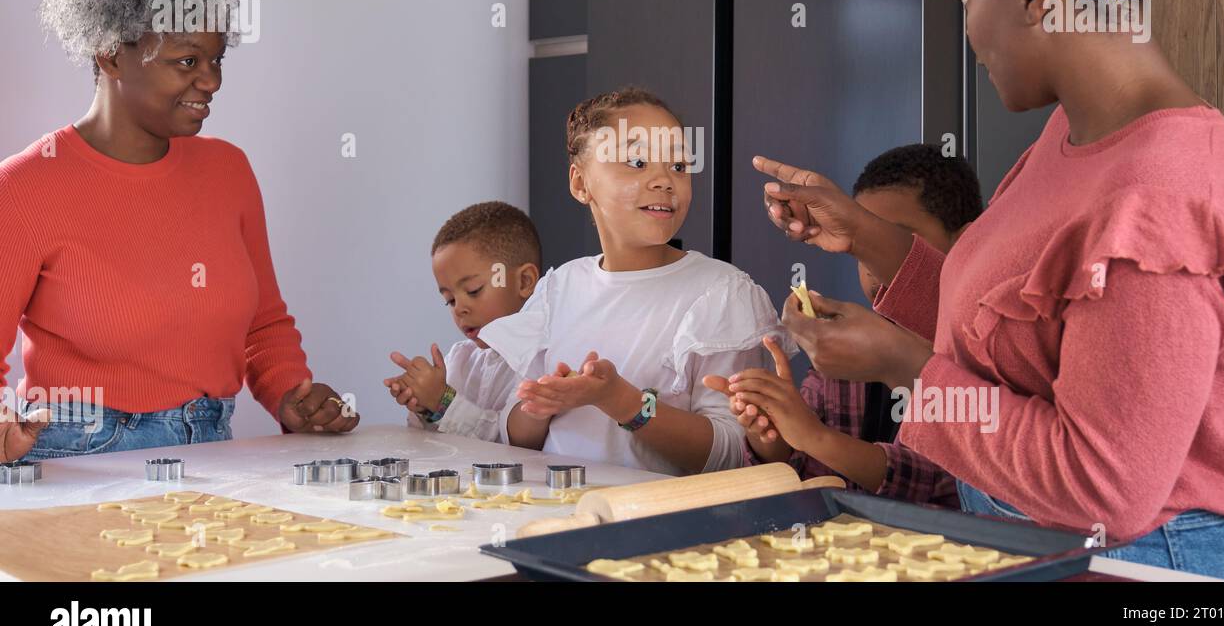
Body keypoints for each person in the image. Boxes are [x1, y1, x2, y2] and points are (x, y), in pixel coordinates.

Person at [745, 0, 1224, 580]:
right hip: (1037, 544)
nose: (969, 34)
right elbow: (1015, 330)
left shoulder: (1160, 191)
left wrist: (906, 367)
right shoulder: (1075, 140)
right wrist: (872, 239)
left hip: (1148, 570)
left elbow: (1104, 487)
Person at [0, 0, 357, 463]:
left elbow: (263, 323)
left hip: (213, 456)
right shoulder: (25, 187)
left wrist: (292, 396)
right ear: (110, 54)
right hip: (75, 464)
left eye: (217, 60)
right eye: (187, 61)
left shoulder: (227, 170)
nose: (211, 81)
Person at [479, 86, 790, 475]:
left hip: (660, 527)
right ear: (580, 184)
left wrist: (623, 402)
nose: (664, 180)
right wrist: (540, 406)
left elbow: (733, 455)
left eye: (679, 166)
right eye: (638, 162)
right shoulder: (559, 288)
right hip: (558, 513)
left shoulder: (722, 294)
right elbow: (517, 438)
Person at [710, 145, 980, 497]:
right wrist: (771, 428)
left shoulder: (980, 359)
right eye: (860, 246)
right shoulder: (839, 357)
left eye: (895, 238)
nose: (870, 259)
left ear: (968, 243)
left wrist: (817, 438)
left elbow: (943, 485)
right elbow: (802, 467)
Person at [384, 201, 541, 442]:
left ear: (525, 281)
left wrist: (442, 402)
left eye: (474, 290)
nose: (460, 309)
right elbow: (432, 443)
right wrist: (423, 404)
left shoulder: (540, 358)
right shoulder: (460, 360)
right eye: (449, 300)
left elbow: (509, 444)